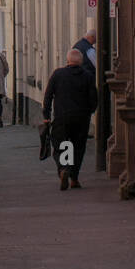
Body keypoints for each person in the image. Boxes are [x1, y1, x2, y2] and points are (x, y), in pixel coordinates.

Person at [42, 47, 97, 190]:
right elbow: (93, 98)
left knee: (61, 145)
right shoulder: (88, 76)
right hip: (81, 118)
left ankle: (63, 168)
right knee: (78, 147)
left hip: (62, 117)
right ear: (81, 62)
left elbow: (48, 96)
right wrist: (90, 111)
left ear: (67, 61)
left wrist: (46, 116)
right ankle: (74, 178)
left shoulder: (58, 74)